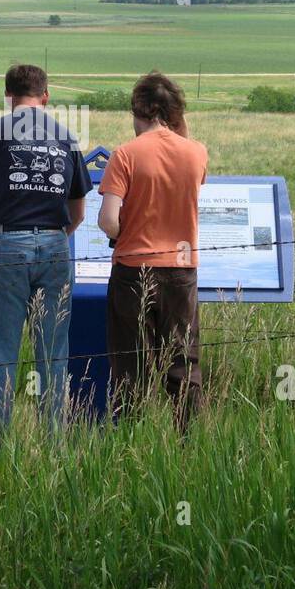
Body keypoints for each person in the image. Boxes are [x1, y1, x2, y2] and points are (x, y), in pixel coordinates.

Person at [0, 64, 90, 454]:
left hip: (4, 245)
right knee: (53, 353)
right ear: (45, 96)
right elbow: (80, 211)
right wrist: (53, 237)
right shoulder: (67, 136)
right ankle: (53, 447)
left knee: (0, 354)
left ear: (8, 97)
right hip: (55, 246)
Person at [97, 71, 208, 432]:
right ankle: (190, 441)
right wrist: (178, 126)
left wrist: (123, 232)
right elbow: (188, 156)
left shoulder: (125, 156)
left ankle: (133, 439)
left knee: (132, 365)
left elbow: (107, 221)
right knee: (183, 362)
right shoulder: (196, 153)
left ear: (137, 111)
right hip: (180, 269)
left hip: (133, 269)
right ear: (175, 113)